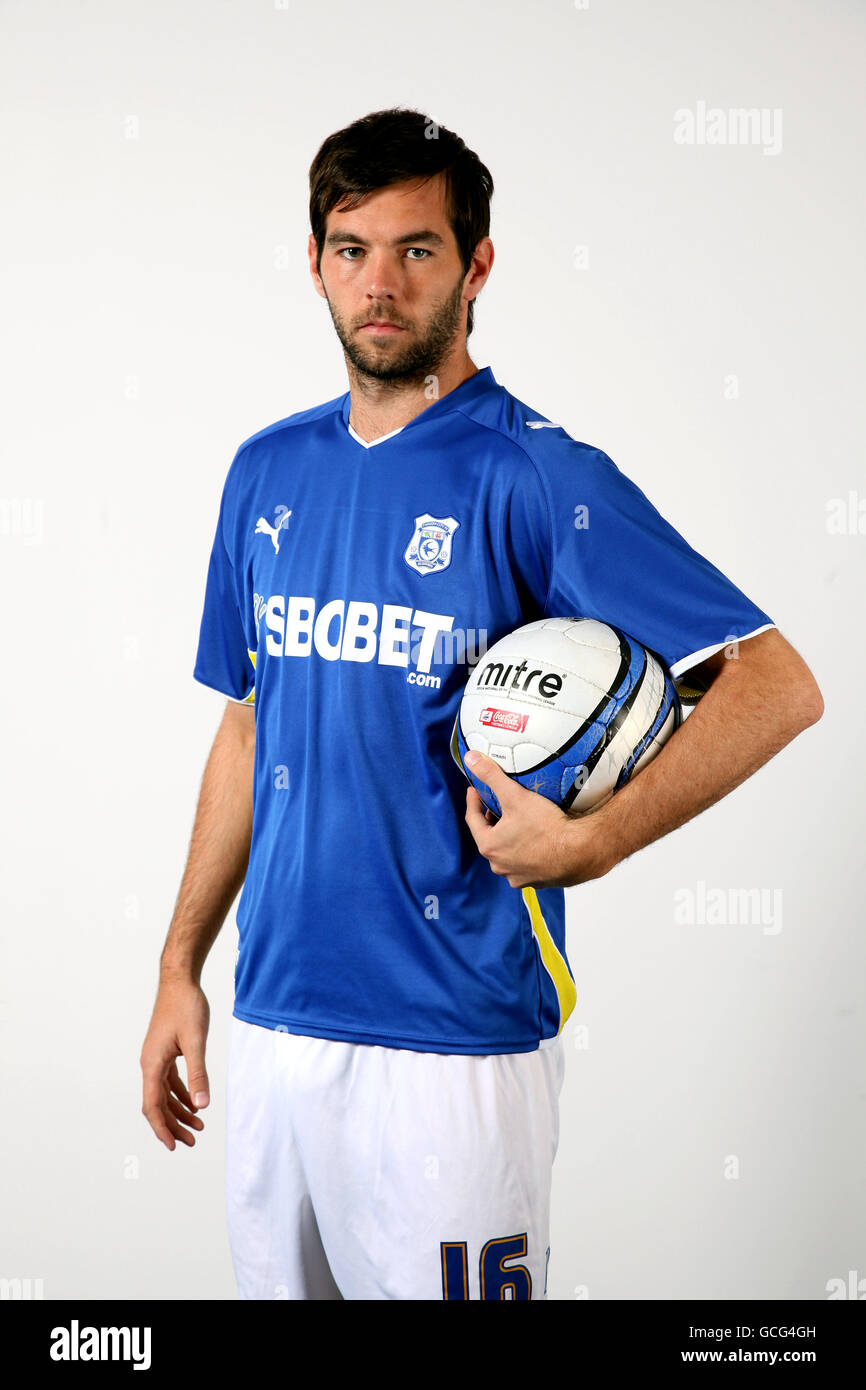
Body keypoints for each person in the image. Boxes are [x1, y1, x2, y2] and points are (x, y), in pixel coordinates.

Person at [140, 107, 824, 1301]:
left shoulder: (533, 472)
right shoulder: (267, 471)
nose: (381, 283)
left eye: (417, 248)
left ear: (476, 265)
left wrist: (594, 838)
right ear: (312, 263)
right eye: (351, 248)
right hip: (277, 1023)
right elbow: (249, 726)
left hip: (454, 1042)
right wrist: (177, 966)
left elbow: (773, 683)